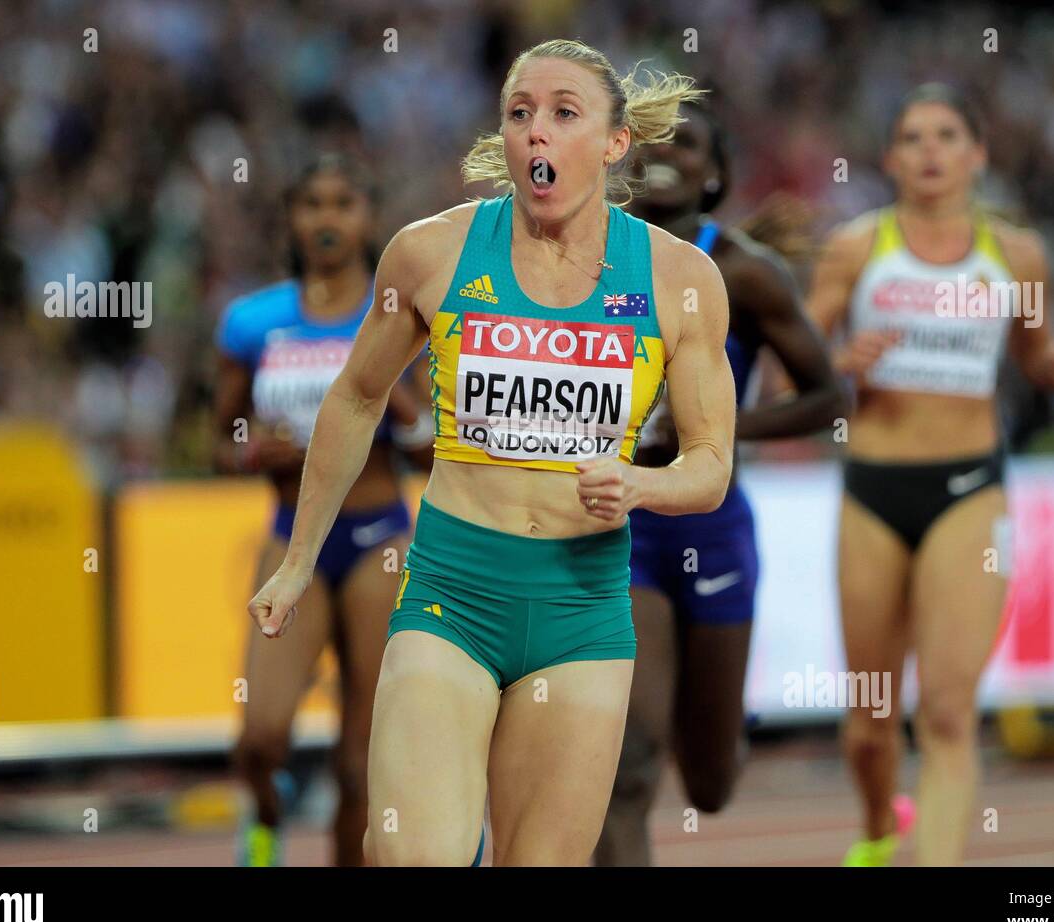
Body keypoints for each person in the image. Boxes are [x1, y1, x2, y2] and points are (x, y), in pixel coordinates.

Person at [247, 38, 737, 866]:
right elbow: (358, 396)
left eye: (562, 113)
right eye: (519, 114)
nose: (535, 132)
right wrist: (298, 561)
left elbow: (711, 464)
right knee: (413, 855)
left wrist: (641, 484)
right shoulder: (431, 252)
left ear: (615, 144)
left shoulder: (678, 280)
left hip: (581, 614)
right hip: (452, 593)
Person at [804, 84, 1054, 866]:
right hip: (873, 487)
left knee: (949, 715)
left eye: (946, 135)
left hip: (970, 486)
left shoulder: (1018, 254)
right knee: (868, 725)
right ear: (892, 158)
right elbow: (796, 366)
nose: (930, 151)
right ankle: (874, 831)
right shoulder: (857, 247)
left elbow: (1033, 358)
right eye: (912, 137)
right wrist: (840, 364)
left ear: (977, 154)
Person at [594, 99, 845, 866]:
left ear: (716, 176)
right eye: (654, 139)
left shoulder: (743, 272)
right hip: (617, 522)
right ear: (620, 159)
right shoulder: (582, 260)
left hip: (708, 524)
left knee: (708, 785)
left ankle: (711, 728)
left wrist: (721, 437)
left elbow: (829, 397)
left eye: (689, 142)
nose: (669, 152)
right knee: (628, 758)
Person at [215, 154, 430, 866]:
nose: (328, 218)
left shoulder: (403, 313)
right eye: (311, 203)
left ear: (369, 217)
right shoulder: (253, 323)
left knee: (361, 763)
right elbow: (220, 439)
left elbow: (437, 448)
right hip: (291, 538)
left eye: (344, 202)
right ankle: (265, 816)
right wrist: (252, 451)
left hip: (379, 540)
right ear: (290, 219)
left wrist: (396, 407)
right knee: (261, 736)